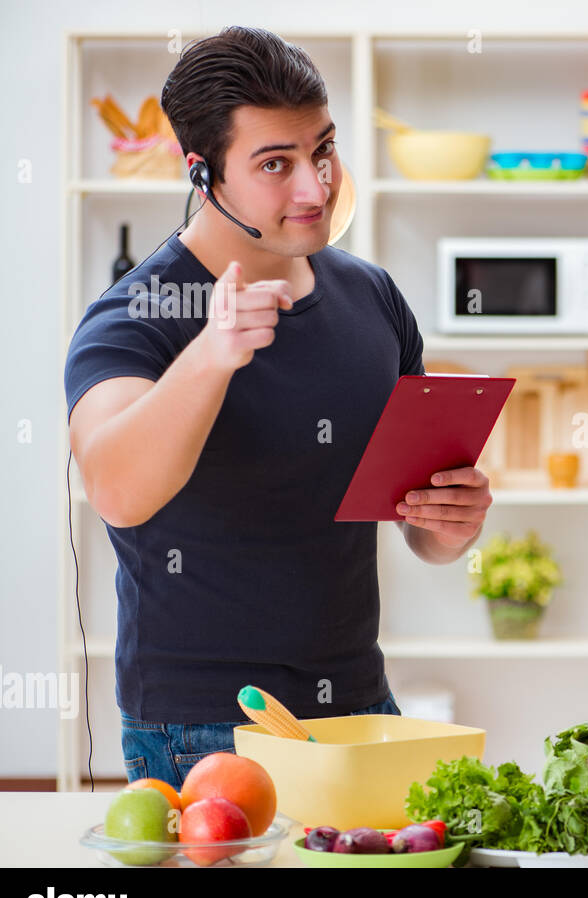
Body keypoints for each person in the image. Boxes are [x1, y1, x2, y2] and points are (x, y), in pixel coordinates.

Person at [63, 27, 492, 787]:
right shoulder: (137, 314)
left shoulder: (371, 296)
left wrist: (450, 526)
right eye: (275, 164)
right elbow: (117, 489)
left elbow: (417, 524)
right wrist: (211, 355)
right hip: (202, 726)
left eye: (321, 150)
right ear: (204, 176)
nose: (315, 187)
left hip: (357, 701)